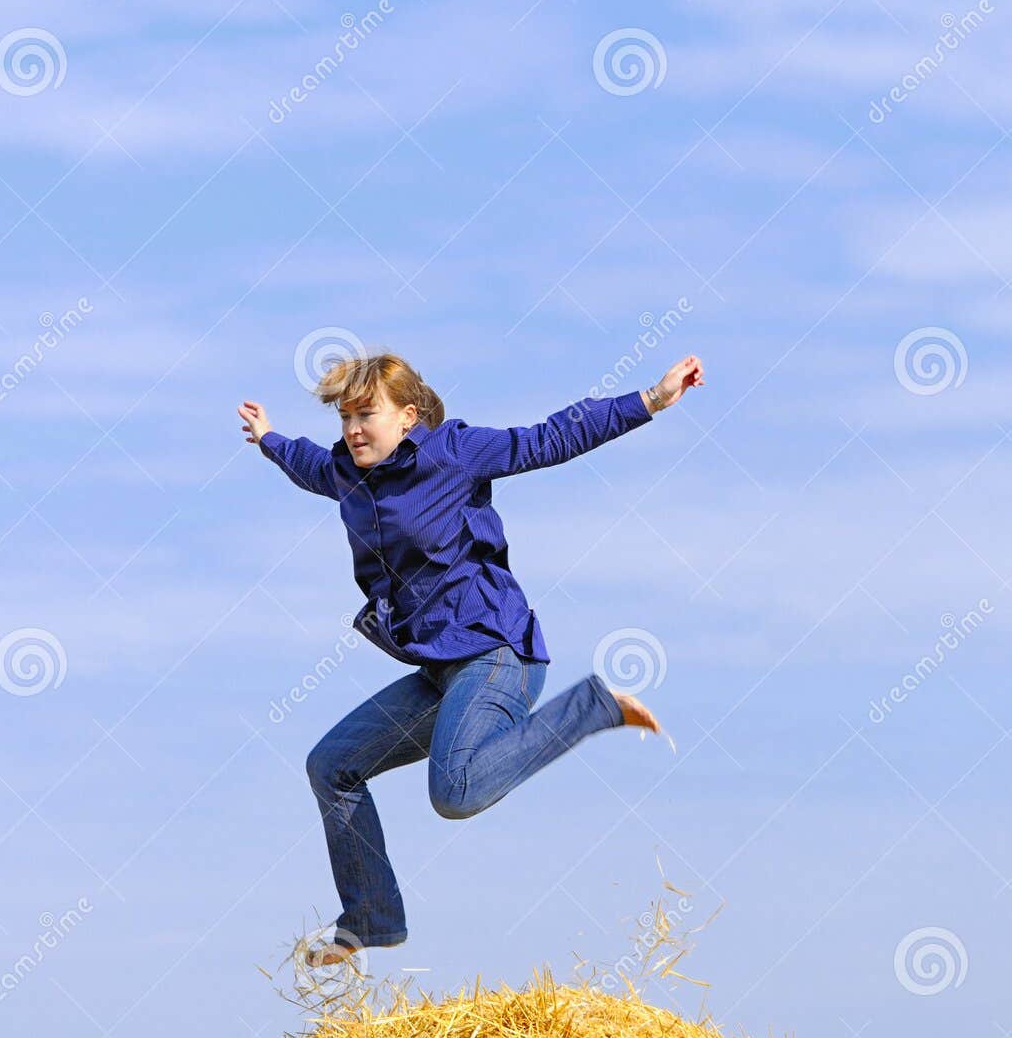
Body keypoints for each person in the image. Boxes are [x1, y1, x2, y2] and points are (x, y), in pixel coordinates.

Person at [238, 350, 704, 966]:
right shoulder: (345, 472)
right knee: (332, 765)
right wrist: (268, 436)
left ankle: (592, 707)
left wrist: (650, 399)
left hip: (496, 655)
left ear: (407, 416)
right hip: (439, 670)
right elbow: (304, 462)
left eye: (365, 414)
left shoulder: (452, 453)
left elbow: (550, 438)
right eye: (345, 417)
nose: (352, 429)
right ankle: (371, 917)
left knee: (454, 792)